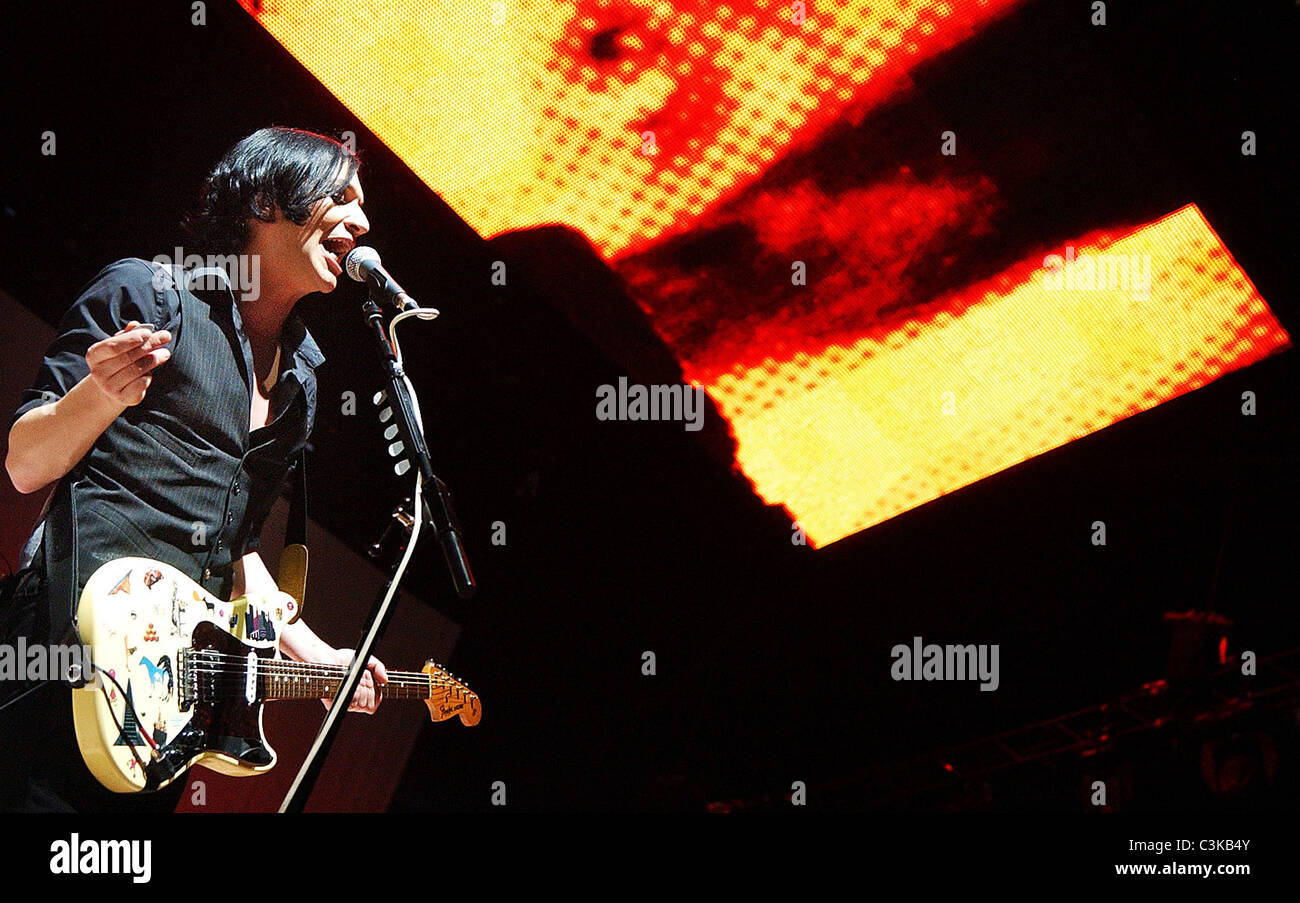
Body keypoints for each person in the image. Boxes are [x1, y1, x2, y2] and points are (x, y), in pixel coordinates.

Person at [1, 126, 387, 812]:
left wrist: (318, 655)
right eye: (344, 196)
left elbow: (233, 547)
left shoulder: (304, 377)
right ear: (268, 198)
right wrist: (99, 393)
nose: (361, 222)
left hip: (166, 708)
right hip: (62, 652)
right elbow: (27, 463)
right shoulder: (151, 293)